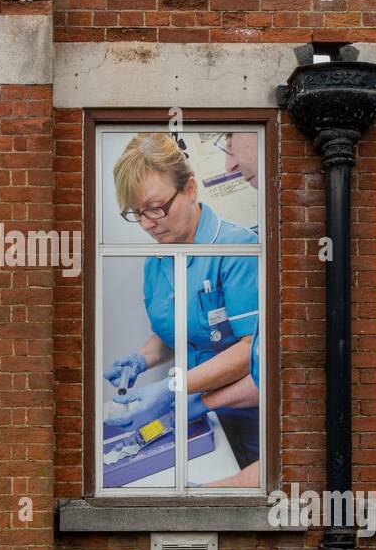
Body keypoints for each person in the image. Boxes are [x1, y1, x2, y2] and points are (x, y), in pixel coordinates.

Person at [103, 132, 261, 485]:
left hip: (246, 415)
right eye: (136, 212)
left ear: (190, 189)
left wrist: (172, 389)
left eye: (156, 207)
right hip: (192, 417)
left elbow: (252, 349)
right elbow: (174, 330)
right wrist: (141, 358)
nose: (146, 223)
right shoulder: (158, 258)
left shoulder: (237, 250)